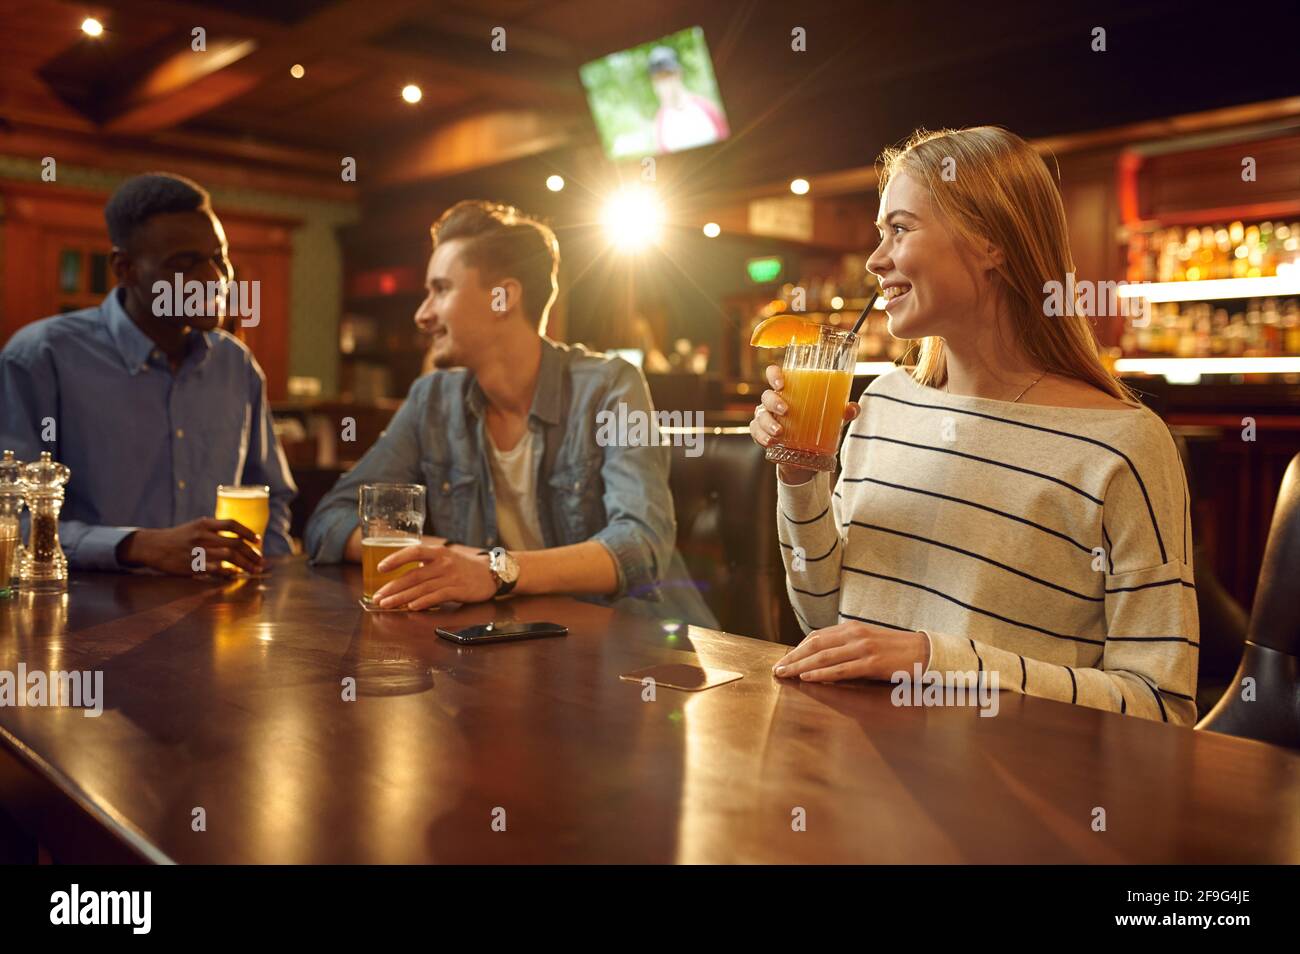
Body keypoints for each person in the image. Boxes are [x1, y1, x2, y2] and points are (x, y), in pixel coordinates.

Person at [751, 127, 1198, 725]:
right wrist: (802, 477)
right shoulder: (881, 406)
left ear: (992, 242)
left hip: (1015, 795)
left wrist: (939, 662)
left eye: (900, 229)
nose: (875, 259)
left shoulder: (1122, 445)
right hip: (863, 773)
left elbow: (1161, 706)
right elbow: (824, 623)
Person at [305, 200, 716, 628]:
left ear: (504, 297)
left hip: (638, 647)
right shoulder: (433, 399)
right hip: (517, 645)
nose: (421, 314)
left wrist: (495, 571)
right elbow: (329, 519)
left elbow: (640, 543)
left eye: (441, 289)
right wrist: (451, 557)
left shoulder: (611, 386)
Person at [0, 172, 295, 575]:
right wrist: (133, 546)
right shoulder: (40, 357)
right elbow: (10, 517)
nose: (214, 279)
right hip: (77, 621)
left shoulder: (236, 365)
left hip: (219, 615)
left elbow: (272, 495)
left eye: (219, 258)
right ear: (125, 268)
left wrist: (266, 577)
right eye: (184, 263)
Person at [647, 46, 729, 154]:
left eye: (667, 75)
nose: (664, 83)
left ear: (679, 74)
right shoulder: (660, 123)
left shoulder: (705, 107)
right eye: (658, 78)